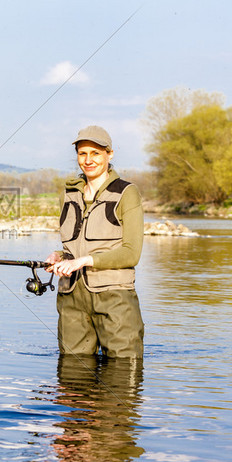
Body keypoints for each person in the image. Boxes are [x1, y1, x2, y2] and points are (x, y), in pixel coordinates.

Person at [45, 125, 144, 359]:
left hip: (114, 298)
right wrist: (59, 256)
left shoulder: (126, 193)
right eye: (82, 153)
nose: (88, 160)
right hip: (72, 297)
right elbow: (75, 247)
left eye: (95, 153)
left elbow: (132, 253)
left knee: (121, 377)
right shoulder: (68, 196)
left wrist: (84, 261)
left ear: (110, 154)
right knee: (72, 377)